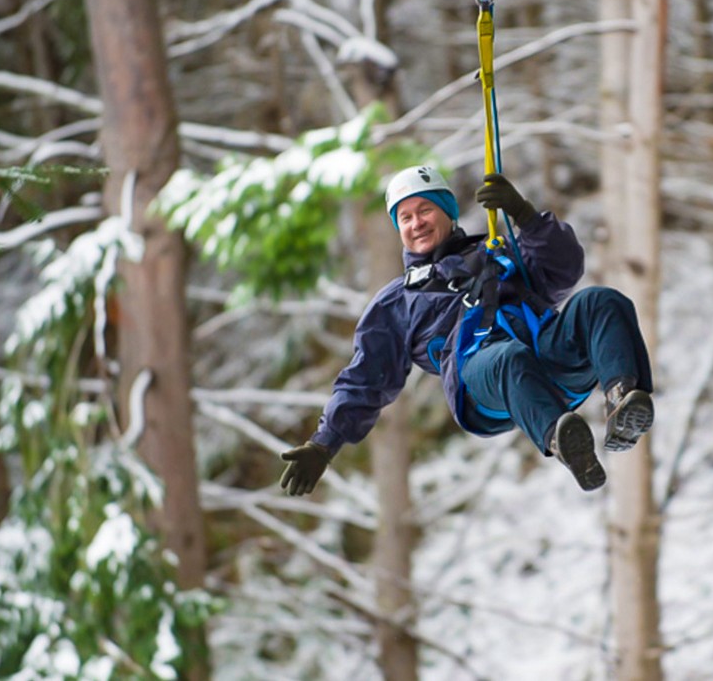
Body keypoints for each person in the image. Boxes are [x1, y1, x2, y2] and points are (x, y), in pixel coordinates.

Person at [280, 165, 654, 495]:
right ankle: (563, 439)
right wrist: (323, 444)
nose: (416, 222)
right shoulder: (396, 303)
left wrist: (524, 215)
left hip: (546, 356)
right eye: (405, 217)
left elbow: (564, 269)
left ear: (448, 212)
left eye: (425, 209)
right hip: (481, 386)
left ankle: (622, 399)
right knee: (508, 357)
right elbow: (364, 380)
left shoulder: (497, 250)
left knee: (601, 301)